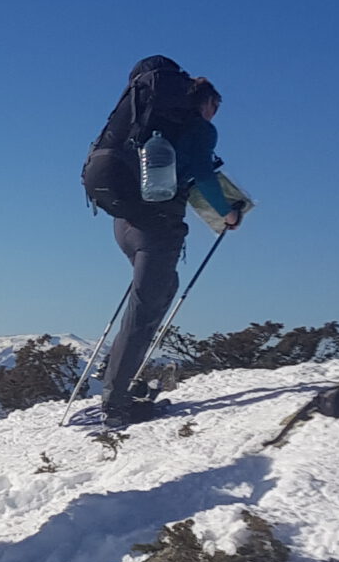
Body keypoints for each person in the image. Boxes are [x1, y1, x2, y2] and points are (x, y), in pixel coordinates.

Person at [88, 60, 238, 426]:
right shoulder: (198, 128)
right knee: (143, 312)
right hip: (157, 230)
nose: (214, 116)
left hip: (124, 224)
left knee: (161, 290)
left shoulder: (149, 123)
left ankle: (115, 371)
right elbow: (202, 174)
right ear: (206, 103)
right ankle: (116, 403)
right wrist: (227, 213)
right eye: (215, 108)